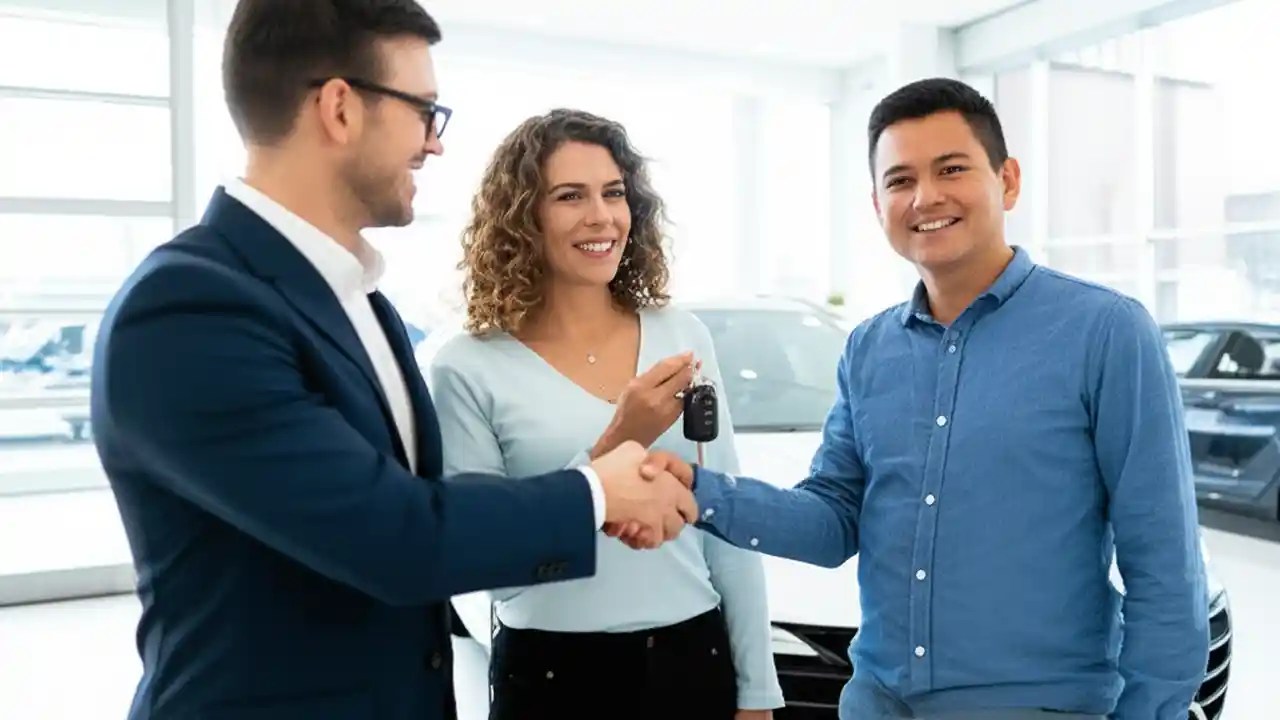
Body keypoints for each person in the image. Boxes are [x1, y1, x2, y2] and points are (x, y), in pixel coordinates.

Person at [89, 3, 696, 719]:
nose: (433, 145)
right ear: (340, 108)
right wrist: (599, 490)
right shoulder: (189, 309)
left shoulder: (363, 302)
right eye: (425, 112)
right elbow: (396, 535)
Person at [637, 78, 1210, 719]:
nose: (925, 197)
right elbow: (833, 520)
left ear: (1008, 180)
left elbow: (1163, 562)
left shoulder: (1106, 331)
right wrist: (696, 489)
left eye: (952, 169)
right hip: (878, 702)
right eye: (900, 179)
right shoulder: (868, 348)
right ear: (878, 204)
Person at [426, 108, 785, 720]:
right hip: (548, 676)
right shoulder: (466, 367)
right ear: (522, 217)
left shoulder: (682, 336)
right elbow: (490, 571)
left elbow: (727, 522)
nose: (602, 217)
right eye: (571, 196)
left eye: (614, 193)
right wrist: (619, 440)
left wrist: (756, 689)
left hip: (691, 659)